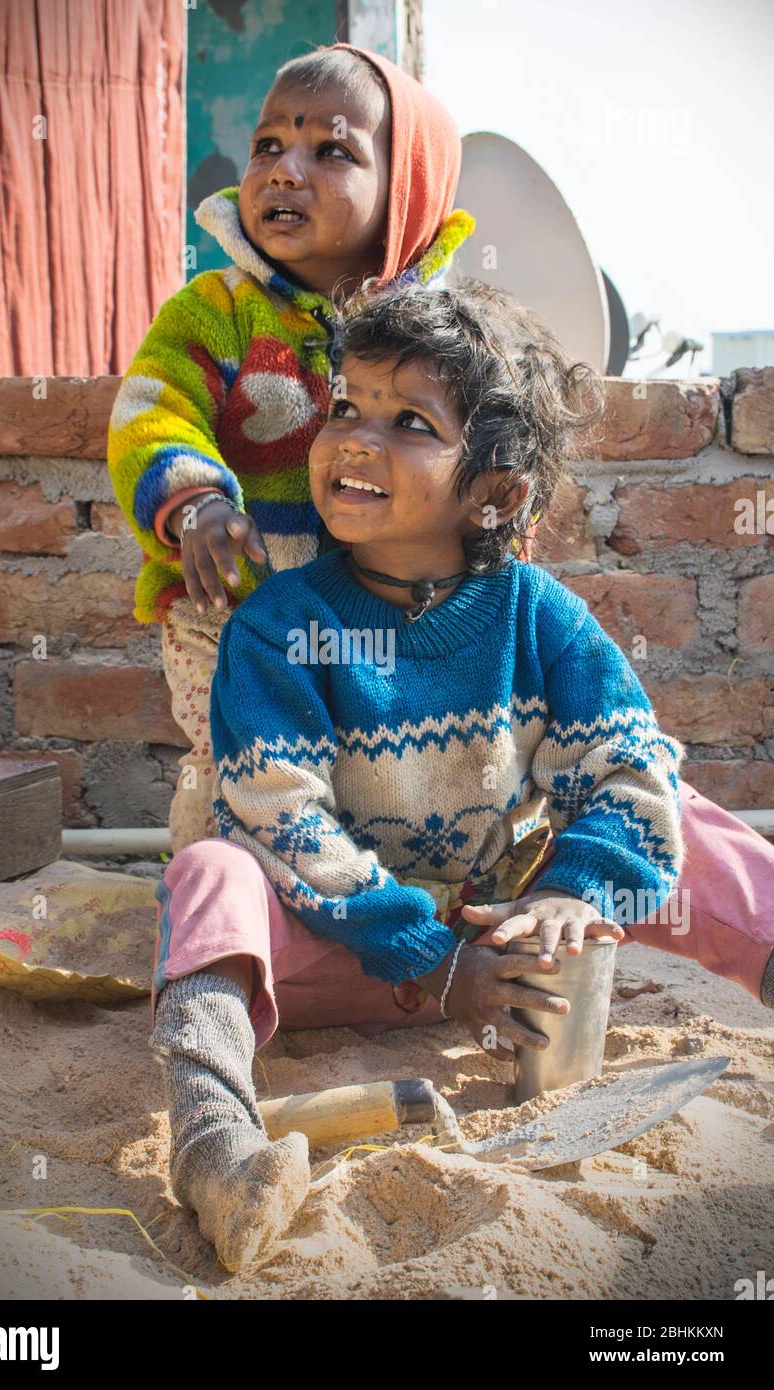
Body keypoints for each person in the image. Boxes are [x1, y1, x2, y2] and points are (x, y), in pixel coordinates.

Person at [147, 280, 767, 1275]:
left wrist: (568, 890)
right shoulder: (276, 629)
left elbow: (626, 762)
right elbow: (282, 820)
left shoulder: (537, 617)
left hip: (503, 937)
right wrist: (441, 968)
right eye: (344, 406)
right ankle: (216, 1145)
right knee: (211, 875)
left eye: (408, 423)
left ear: (495, 492)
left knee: (685, 818)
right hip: (336, 957)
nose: (353, 438)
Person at [106, 42, 472, 850]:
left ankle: (354, 922)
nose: (283, 169)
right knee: (239, 778)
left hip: (382, 619)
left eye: (331, 150)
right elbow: (150, 409)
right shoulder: (216, 309)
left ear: (404, 192)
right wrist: (195, 501)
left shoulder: (435, 341)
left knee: (371, 783)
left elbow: (486, 456)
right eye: (267, 145)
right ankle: (217, 926)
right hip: (228, 612)